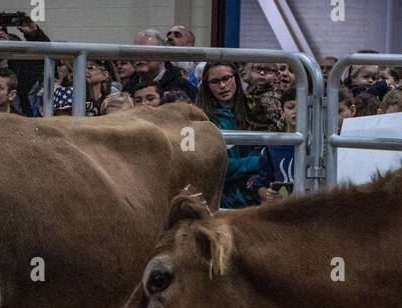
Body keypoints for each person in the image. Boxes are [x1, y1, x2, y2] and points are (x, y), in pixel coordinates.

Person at [197, 63, 259, 208]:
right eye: (215, 81)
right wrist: (257, 162)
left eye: (226, 78)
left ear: (236, 78)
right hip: (219, 197)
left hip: (255, 192)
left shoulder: (255, 108)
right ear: (206, 85)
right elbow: (213, 165)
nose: (223, 85)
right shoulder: (201, 118)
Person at [248, 88, 298, 203]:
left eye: (303, 107)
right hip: (283, 210)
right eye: (291, 107)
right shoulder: (272, 148)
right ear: (282, 112)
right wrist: (266, 194)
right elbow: (259, 183)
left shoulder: (320, 147)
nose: (296, 111)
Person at [123, 29, 197, 100]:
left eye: (146, 52)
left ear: (163, 55)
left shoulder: (182, 87)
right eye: (135, 53)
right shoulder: (127, 87)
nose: (140, 57)